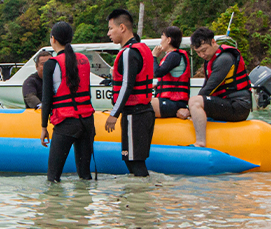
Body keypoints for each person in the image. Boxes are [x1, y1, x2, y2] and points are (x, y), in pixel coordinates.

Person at [40, 21, 96, 182]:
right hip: (87, 121)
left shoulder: (52, 64)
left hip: (66, 122)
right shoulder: (84, 60)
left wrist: (44, 127)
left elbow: (47, 98)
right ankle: (84, 205)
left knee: (53, 177)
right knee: (85, 176)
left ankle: (55, 206)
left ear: (53, 39)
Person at [104, 9, 155, 177]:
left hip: (135, 114)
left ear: (122, 27)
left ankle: (141, 200)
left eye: (111, 29)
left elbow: (127, 85)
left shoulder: (129, 53)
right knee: (132, 160)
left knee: (134, 161)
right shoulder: (141, 48)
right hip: (143, 112)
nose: (108, 33)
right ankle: (137, 200)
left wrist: (114, 114)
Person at [187, 27, 253, 147]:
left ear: (213, 42)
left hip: (238, 107)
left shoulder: (224, 59)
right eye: (198, 52)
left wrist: (189, 109)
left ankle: (200, 142)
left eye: (204, 50)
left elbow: (209, 88)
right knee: (196, 102)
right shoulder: (211, 59)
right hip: (227, 103)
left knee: (195, 102)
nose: (202, 55)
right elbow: (205, 86)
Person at [151, 26, 191, 119]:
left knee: (141, 103)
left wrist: (153, 56)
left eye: (162, 38)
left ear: (168, 40)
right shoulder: (171, 56)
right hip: (169, 101)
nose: (161, 42)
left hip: (174, 103)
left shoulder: (174, 56)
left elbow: (158, 72)